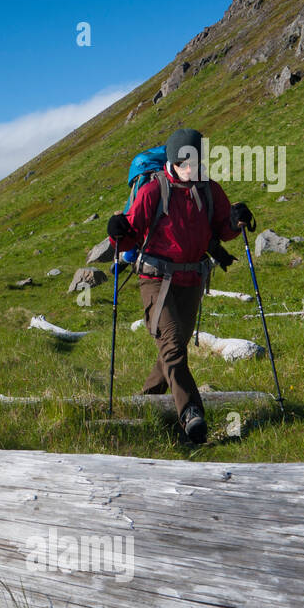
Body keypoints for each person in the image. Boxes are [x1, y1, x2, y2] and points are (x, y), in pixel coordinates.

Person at [106, 128, 254, 444]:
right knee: (172, 343)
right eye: (185, 163)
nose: (191, 169)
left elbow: (223, 229)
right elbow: (130, 235)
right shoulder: (152, 191)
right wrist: (116, 232)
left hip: (192, 279)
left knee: (172, 350)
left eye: (196, 162)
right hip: (155, 279)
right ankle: (191, 415)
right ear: (173, 161)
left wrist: (236, 219)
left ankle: (146, 404)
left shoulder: (209, 190)